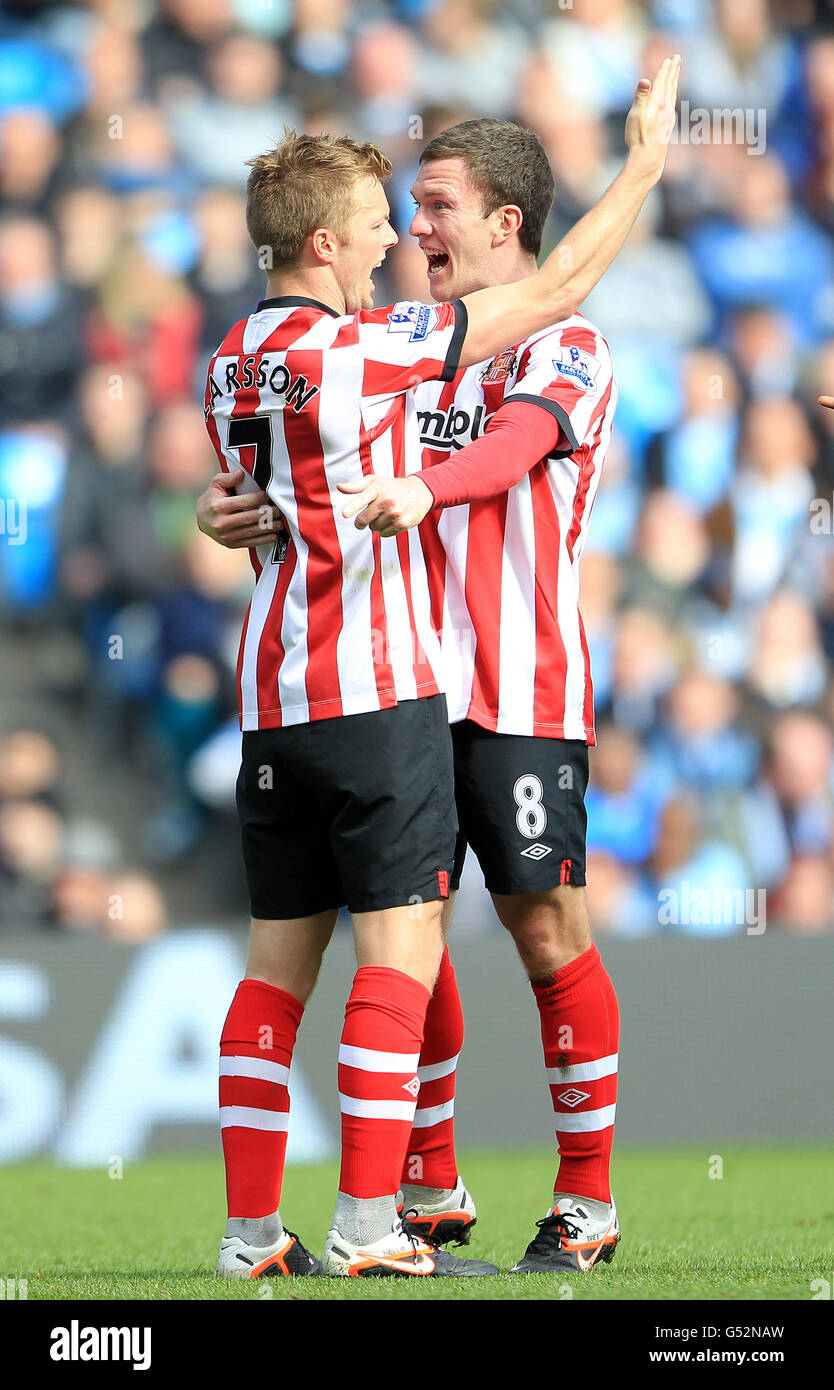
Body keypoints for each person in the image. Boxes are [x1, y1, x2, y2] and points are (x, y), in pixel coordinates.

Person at [204, 58, 679, 1280]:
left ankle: (586, 1201)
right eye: (400, 214)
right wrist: (241, 506)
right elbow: (304, 455)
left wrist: (425, 482)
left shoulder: (562, 348)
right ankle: (425, 1183)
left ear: (505, 221)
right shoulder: (387, 348)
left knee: (540, 928)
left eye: (437, 209)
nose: (413, 232)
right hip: (398, 690)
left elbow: (510, 448)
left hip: (513, 691)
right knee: (398, 936)